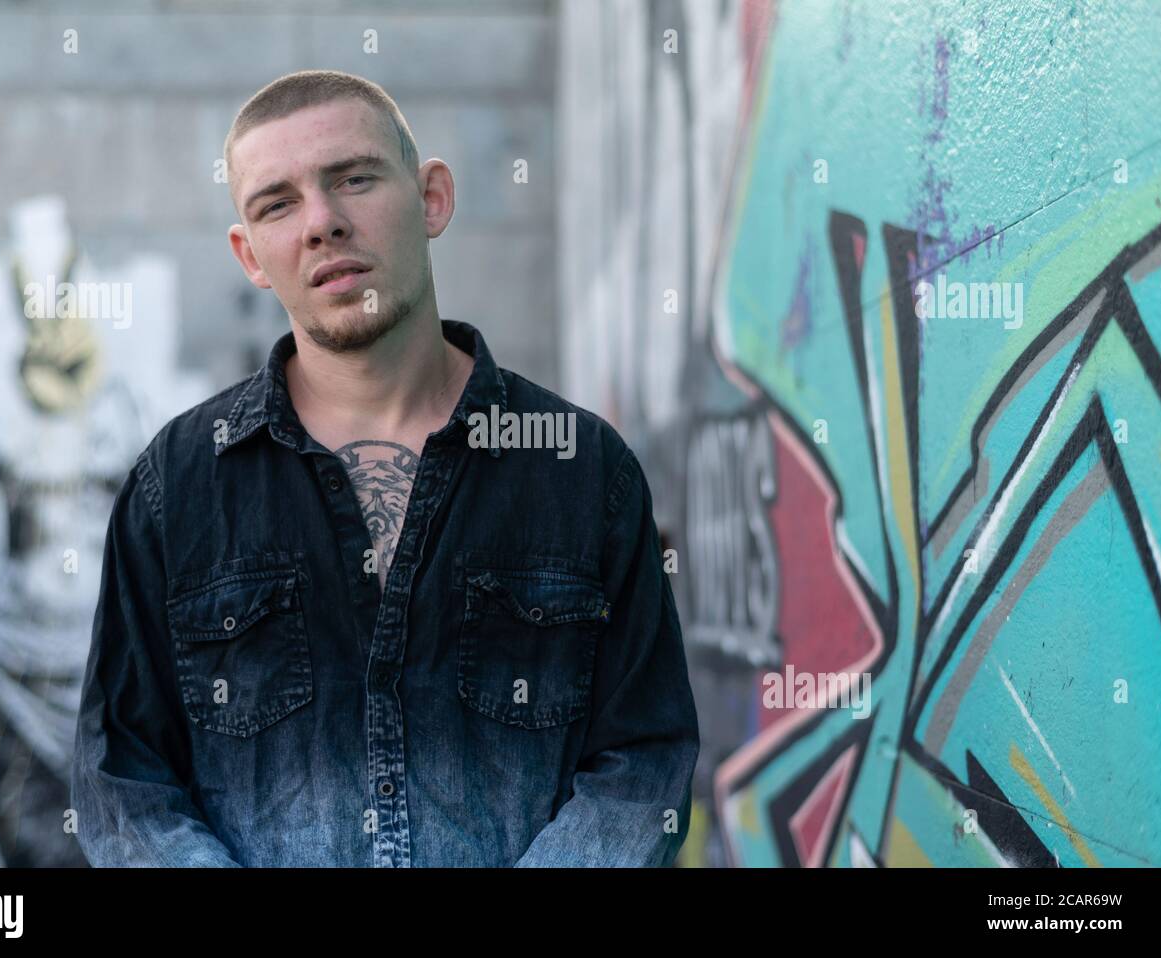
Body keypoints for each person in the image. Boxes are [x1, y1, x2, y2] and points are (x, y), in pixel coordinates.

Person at [70, 69, 699, 866]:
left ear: (432, 197)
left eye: (354, 179)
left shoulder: (579, 467)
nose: (323, 223)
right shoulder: (181, 483)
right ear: (250, 254)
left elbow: (643, 764)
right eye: (278, 203)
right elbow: (124, 782)